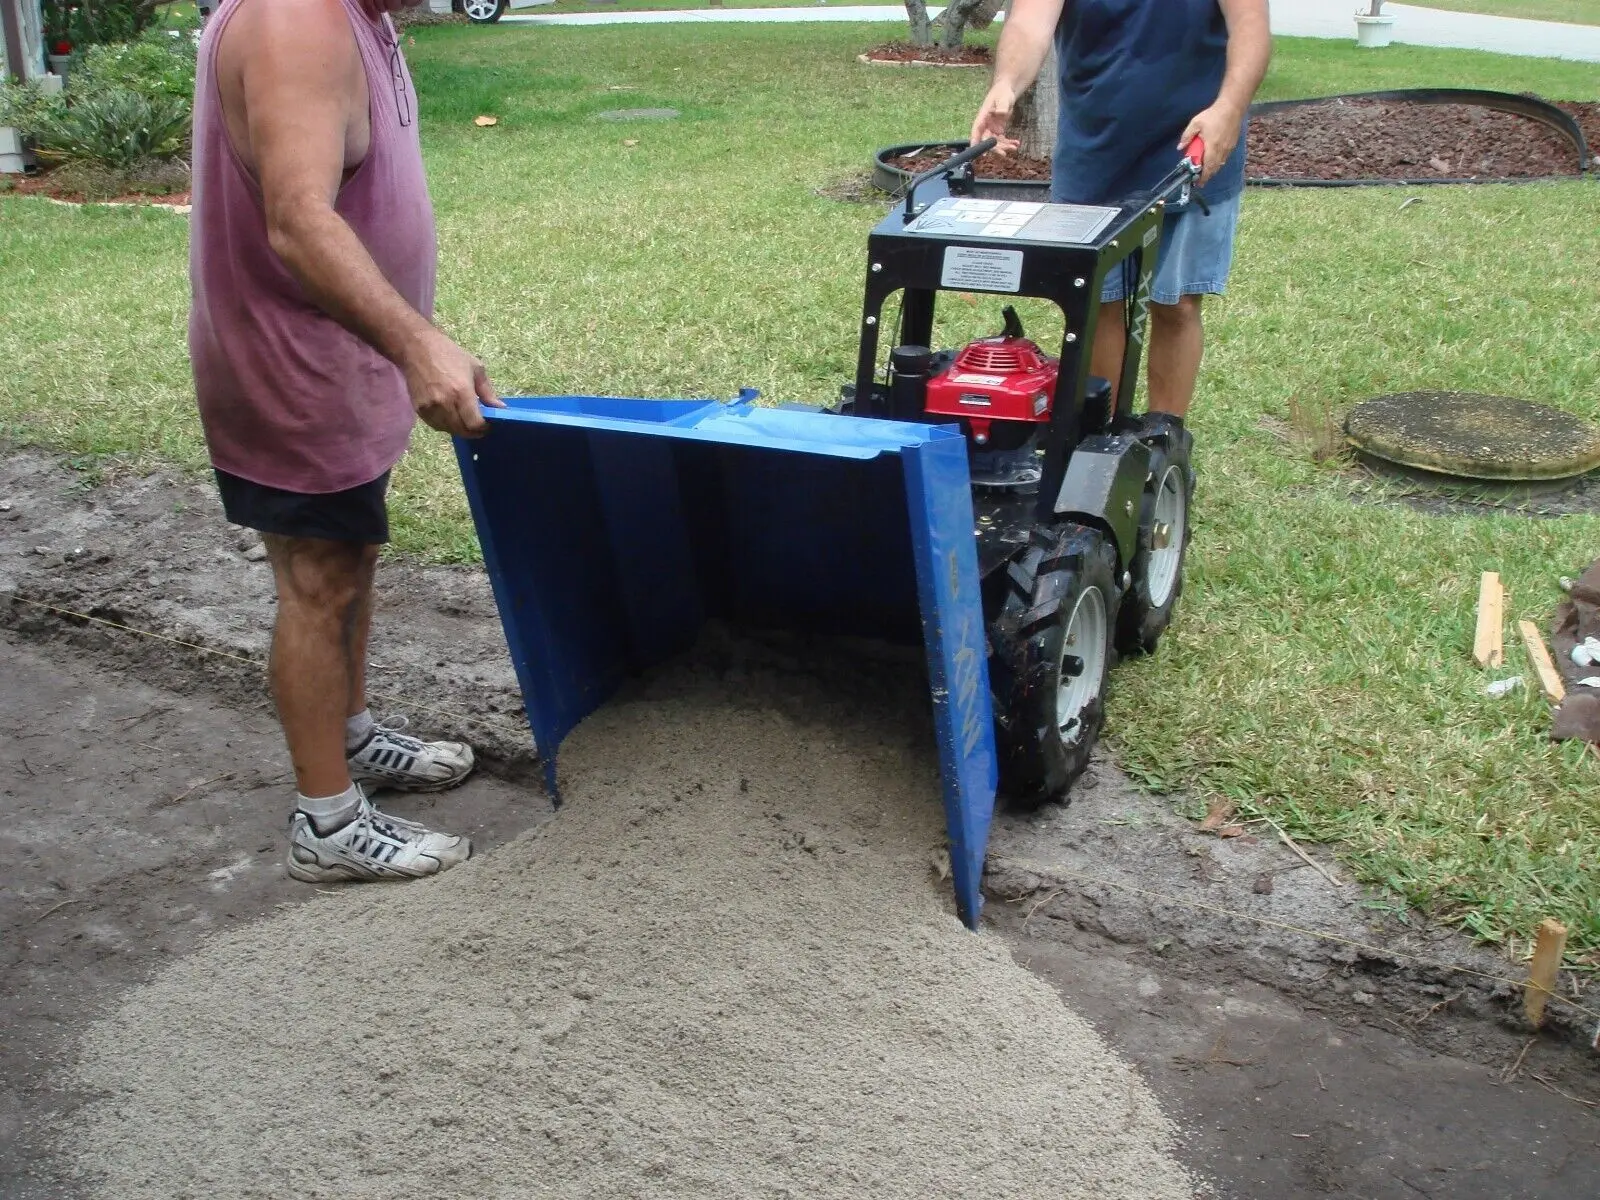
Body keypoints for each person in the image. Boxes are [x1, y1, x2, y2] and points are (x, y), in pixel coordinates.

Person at [189, 0, 503, 882]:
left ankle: (352, 738)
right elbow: (296, 220)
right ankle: (326, 825)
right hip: (292, 362)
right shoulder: (297, 20)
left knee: (349, 554)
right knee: (317, 582)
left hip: (340, 355)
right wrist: (417, 342)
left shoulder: (356, 12)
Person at [970, 0, 1271, 424]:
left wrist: (1230, 108)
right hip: (1093, 148)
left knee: (1177, 304)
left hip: (1196, 142)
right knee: (1098, 302)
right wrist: (1005, 85)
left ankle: (1165, 443)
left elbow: (1250, 25)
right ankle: (1100, 437)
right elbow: (1030, 21)